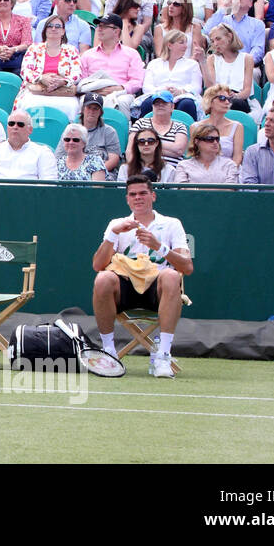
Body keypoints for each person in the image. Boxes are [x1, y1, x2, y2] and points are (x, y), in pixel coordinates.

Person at [91, 174, 193, 378]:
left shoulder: (172, 224)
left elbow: (187, 267)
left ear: (153, 196)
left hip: (158, 292)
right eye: (133, 194)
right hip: (125, 289)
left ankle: (163, 354)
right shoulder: (117, 224)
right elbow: (98, 265)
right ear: (127, 199)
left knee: (173, 276)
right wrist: (113, 235)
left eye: (143, 193)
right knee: (102, 278)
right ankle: (109, 352)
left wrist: (159, 247)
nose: (138, 198)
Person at [0, 109, 54, 180]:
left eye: (20, 124)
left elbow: (48, 185)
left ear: (30, 130)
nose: (15, 127)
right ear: (7, 127)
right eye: (11, 124)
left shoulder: (43, 153)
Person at [171, 120, 240, 184]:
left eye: (217, 139)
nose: (215, 142)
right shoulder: (183, 165)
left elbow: (230, 190)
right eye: (210, 139)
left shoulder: (229, 165)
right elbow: (182, 191)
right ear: (197, 141)